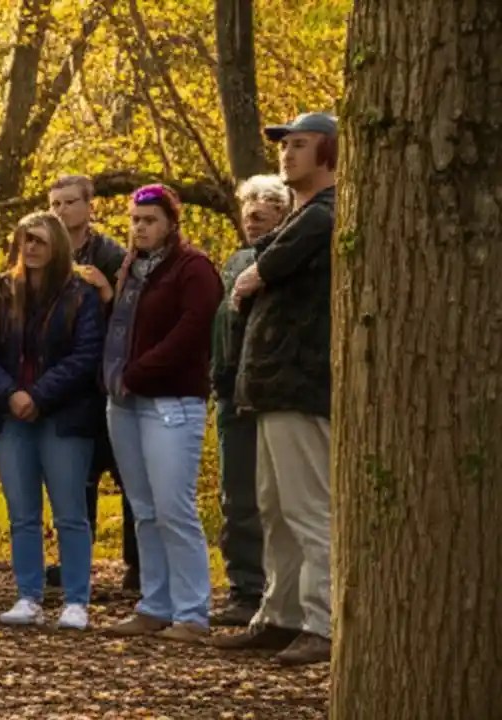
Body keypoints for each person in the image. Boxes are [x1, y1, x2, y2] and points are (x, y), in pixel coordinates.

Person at [214, 113, 337, 666]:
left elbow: (258, 273)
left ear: (330, 152)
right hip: (271, 387)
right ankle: (280, 613)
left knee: (310, 509)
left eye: (301, 145)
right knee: (274, 508)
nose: (287, 154)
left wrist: (251, 277)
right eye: (284, 146)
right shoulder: (304, 215)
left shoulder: (327, 214)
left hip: (301, 384)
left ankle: (324, 621)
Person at [0, 213, 104, 628]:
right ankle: (28, 595)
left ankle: (76, 600)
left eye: (40, 242)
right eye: (25, 240)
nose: (30, 248)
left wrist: (39, 395)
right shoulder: (1, 293)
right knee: (22, 512)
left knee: (69, 512)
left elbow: (86, 355)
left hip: (63, 416)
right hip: (11, 417)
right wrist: (10, 394)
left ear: (57, 246)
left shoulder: (80, 295)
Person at [104, 184, 222, 644]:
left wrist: (139, 370)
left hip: (171, 401)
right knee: (145, 509)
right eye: (135, 220)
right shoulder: (132, 269)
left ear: (171, 224)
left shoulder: (193, 269)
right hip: (124, 400)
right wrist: (115, 376)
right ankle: (155, 604)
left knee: (174, 508)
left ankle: (192, 613)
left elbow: (192, 330)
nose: (140, 228)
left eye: (150, 220)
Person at [46, 174, 139, 593]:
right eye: (55, 204)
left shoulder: (113, 255)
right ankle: (73, 564)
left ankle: (138, 568)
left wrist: (104, 292)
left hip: (109, 380)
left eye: (69, 203)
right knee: (74, 479)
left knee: (128, 478)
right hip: (67, 384)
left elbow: (131, 318)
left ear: (89, 207)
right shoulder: (44, 251)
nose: (61, 211)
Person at [208, 174, 290, 627]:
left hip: (272, 393)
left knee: (280, 501)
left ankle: (282, 598)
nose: (254, 216)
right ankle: (245, 590)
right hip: (229, 393)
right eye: (249, 209)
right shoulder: (235, 260)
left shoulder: (292, 258)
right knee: (237, 498)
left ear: (285, 212)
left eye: (266, 209)